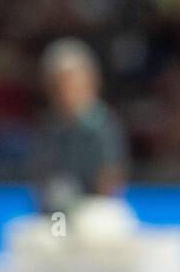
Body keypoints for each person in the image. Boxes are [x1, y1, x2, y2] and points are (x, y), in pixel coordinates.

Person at [32, 36, 129, 214]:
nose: (65, 90)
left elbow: (110, 182)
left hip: (96, 212)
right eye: (59, 83)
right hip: (56, 213)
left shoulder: (104, 125)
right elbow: (41, 181)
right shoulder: (48, 128)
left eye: (71, 81)